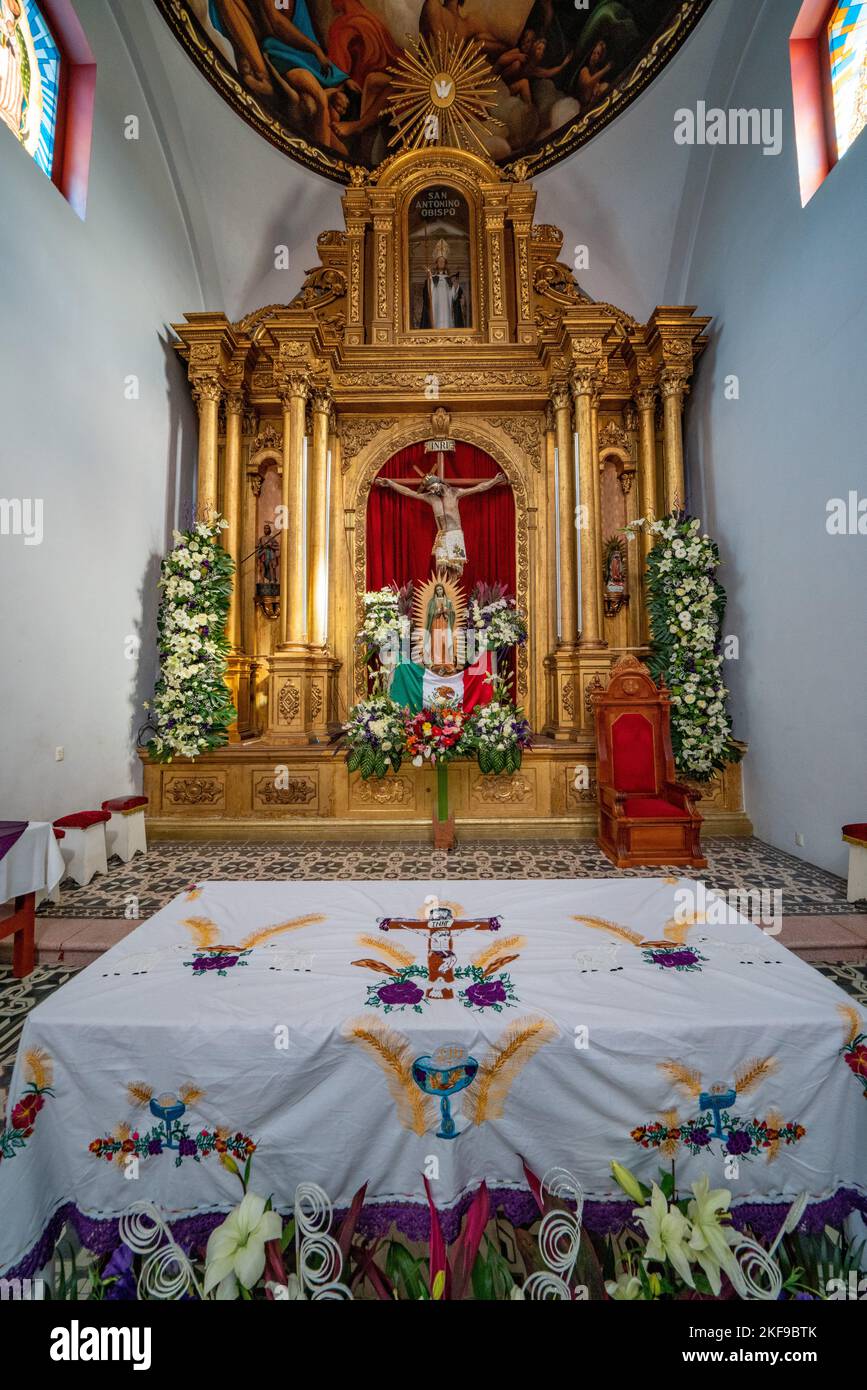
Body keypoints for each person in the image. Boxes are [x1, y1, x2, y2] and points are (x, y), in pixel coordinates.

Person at [376, 468, 507, 577]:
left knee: (454, 571)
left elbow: (478, 488)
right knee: (441, 568)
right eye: (430, 489)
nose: (433, 491)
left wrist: (494, 481)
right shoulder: (430, 498)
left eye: (433, 487)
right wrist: (390, 483)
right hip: (442, 535)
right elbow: (408, 492)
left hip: (455, 535)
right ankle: (441, 596)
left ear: (439, 482)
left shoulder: (454, 493)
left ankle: (452, 600)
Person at [420, 245, 465, 329]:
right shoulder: (432, 278)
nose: (441, 263)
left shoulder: (449, 279)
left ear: (445, 264)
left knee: (447, 322)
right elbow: (429, 294)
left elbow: (454, 297)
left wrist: (455, 287)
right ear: (436, 263)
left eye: (443, 261)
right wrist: (429, 278)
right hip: (436, 308)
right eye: (439, 261)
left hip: (447, 309)